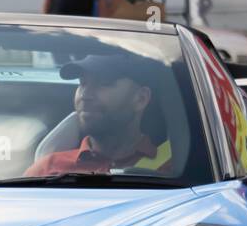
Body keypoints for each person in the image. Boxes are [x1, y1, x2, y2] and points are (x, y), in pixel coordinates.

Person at [26, 55, 173, 177]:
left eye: (104, 83)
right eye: (82, 83)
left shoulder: (171, 171)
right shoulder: (47, 170)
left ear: (141, 98)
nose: (85, 95)